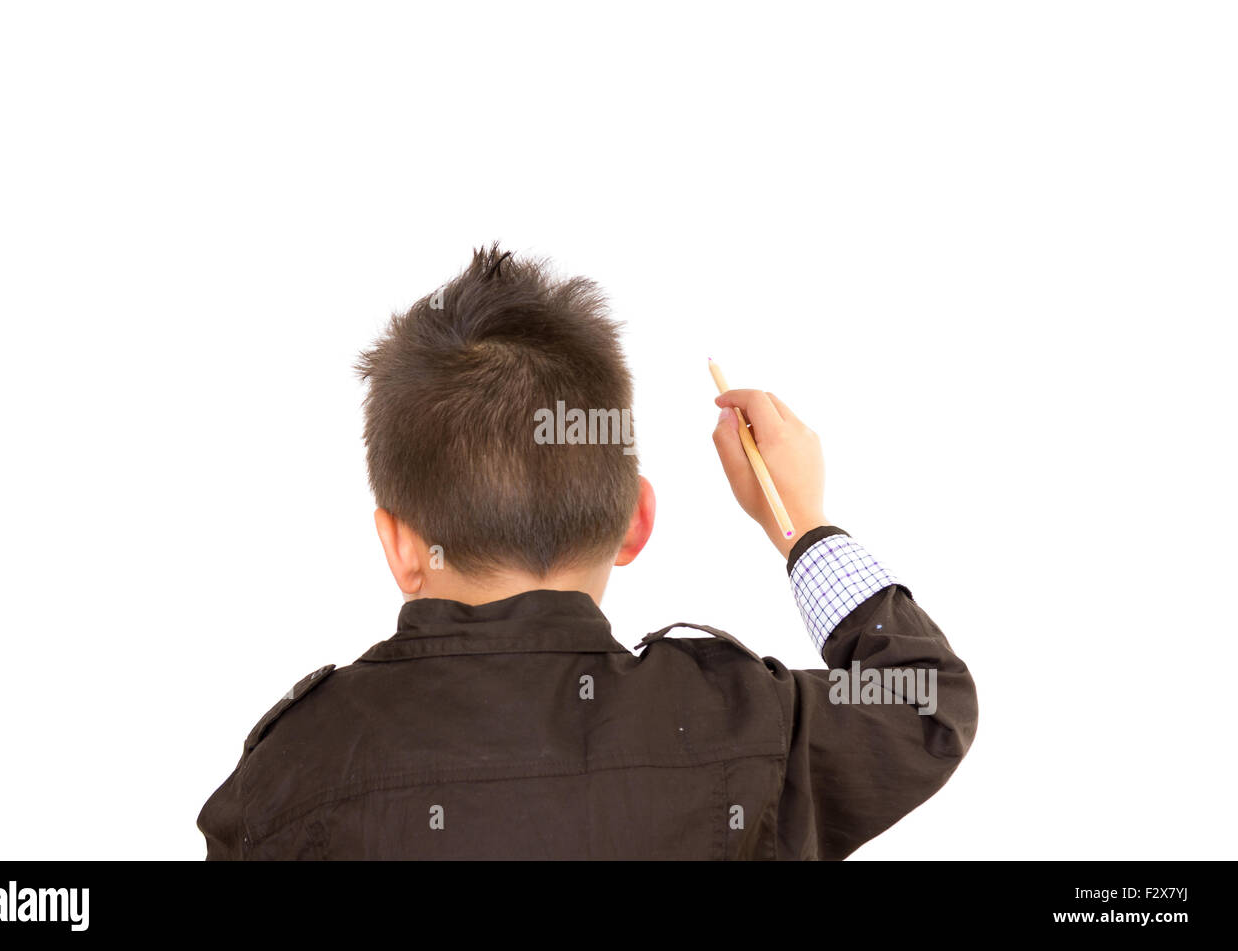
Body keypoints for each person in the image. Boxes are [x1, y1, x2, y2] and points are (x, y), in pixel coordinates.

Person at [196, 243, 978, 860]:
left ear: (401, 545)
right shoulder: (742, 726)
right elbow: (928, 705)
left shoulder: (284, 775)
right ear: (637, 520)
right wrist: (801, 523)